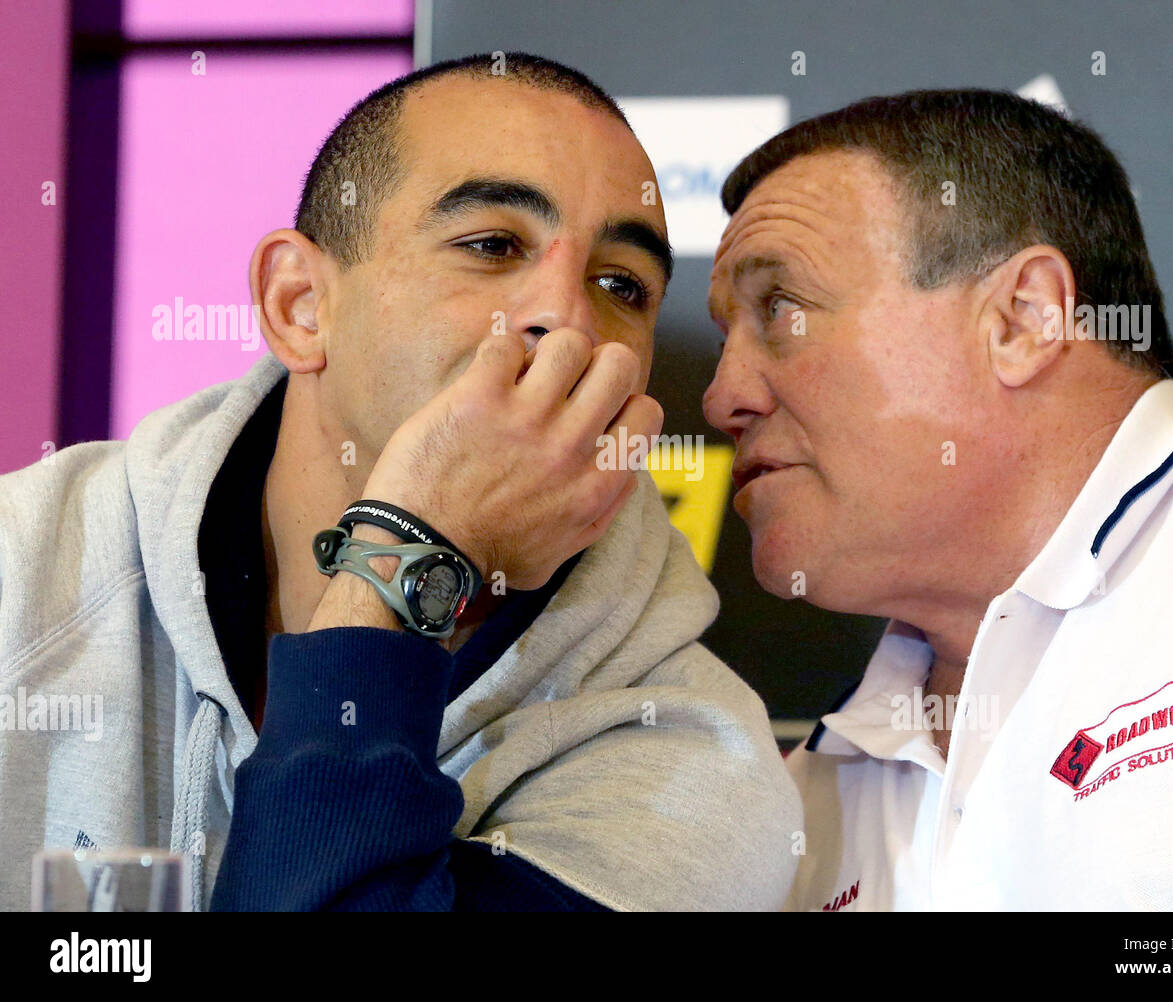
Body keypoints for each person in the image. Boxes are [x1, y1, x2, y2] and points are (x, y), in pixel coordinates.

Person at [0, 53, 801, 912]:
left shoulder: (689, 764)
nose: (566, 316)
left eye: (621, 284)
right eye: (492, 245)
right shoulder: (22, 571)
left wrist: (412, 553)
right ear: (300, 306)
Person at [703, 89, 1173, 910]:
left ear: (1023, 319)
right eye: (726, 331)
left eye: (782, 309)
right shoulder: (803, 813)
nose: (723, 396)